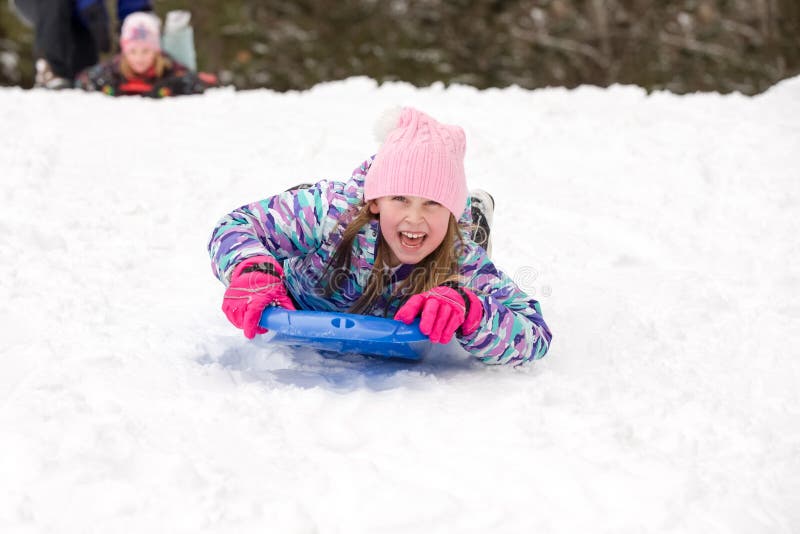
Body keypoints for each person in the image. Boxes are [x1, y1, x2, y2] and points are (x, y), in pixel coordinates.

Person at [208, 107, 552, 366]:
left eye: (433, 203)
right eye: (399, 198)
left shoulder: (460, 259)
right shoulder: (330, 211)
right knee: (296, 222)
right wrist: (252, 270)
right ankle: (301, 210)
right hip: (310, 275)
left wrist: (470, 310)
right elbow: (237, 225)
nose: (414, 217)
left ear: (450, 210)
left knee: (464, 244)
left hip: (452, 240)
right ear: (375, 201)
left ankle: (473, 220)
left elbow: (534, 334)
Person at [10, 0, 152, 88]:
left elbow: (134, 5)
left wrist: (136, 26)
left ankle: (77, 78)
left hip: (77, 8)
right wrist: (92, 10)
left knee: (84, 77)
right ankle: (50, 70)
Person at [74, 12, 217, 98]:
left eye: (145, 51)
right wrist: (105, 85)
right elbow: (83, 80)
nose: (139, 58)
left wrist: (173, 86)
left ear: (156, 51)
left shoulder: (169, 67)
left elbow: (199, 82)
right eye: (132, 51)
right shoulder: (114, 70)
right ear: (124, 52)